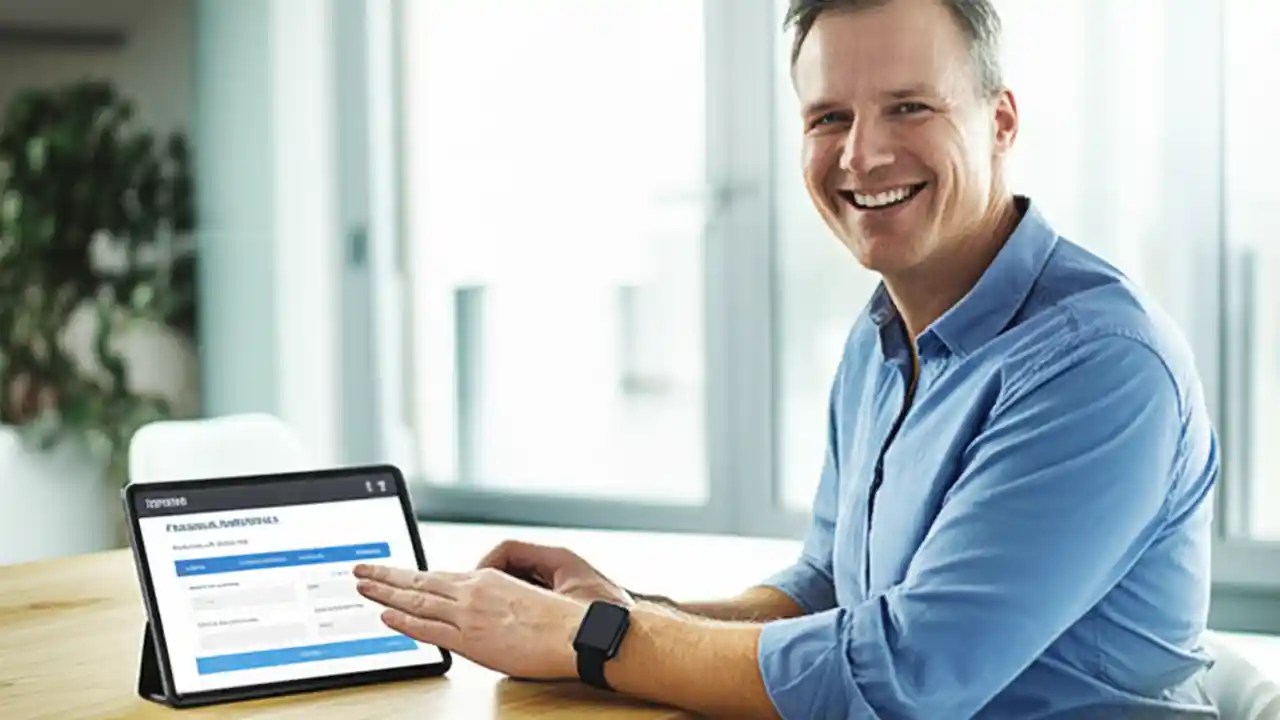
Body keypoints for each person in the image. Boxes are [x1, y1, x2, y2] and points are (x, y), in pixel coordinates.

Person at [352, 0, 1220, 716]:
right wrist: (620, 612)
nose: (863, 155)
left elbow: (907, 674)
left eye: (909, 107)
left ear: (1000, 122)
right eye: (829, 117)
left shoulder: (1098, 366)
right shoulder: (884, 332)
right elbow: (826, 587)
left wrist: (590, 644)